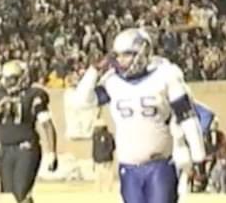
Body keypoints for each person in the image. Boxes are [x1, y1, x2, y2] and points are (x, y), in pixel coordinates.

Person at [74, 28, 207, 203]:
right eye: (118, 55)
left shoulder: (165, 74)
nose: (120, 60)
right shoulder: (113, 81)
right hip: (129, 167)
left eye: (126, 55)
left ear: (142, 53)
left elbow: (187, 117)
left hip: (159, 165)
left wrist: (198, 157)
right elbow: (81, 101)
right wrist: (94, 70)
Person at [0, 59, 59, 203]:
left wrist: (52, 152)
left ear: (22, 78)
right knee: (8, 194)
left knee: (21, 192)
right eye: (6, 78)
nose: (8, 82)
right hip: (5, 149)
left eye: (12, 78)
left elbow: (47, 124)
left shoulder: (34, 95)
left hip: (26, 148)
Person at [91, 119, 116, 193]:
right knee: (107, 174)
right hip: (106, 158)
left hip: (100, 159)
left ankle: (100, 189)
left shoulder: (95, 136)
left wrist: (94, 158)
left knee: (100, 175)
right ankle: (107, 189)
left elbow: (94, 149)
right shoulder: (108, 135)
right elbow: (113, 147)